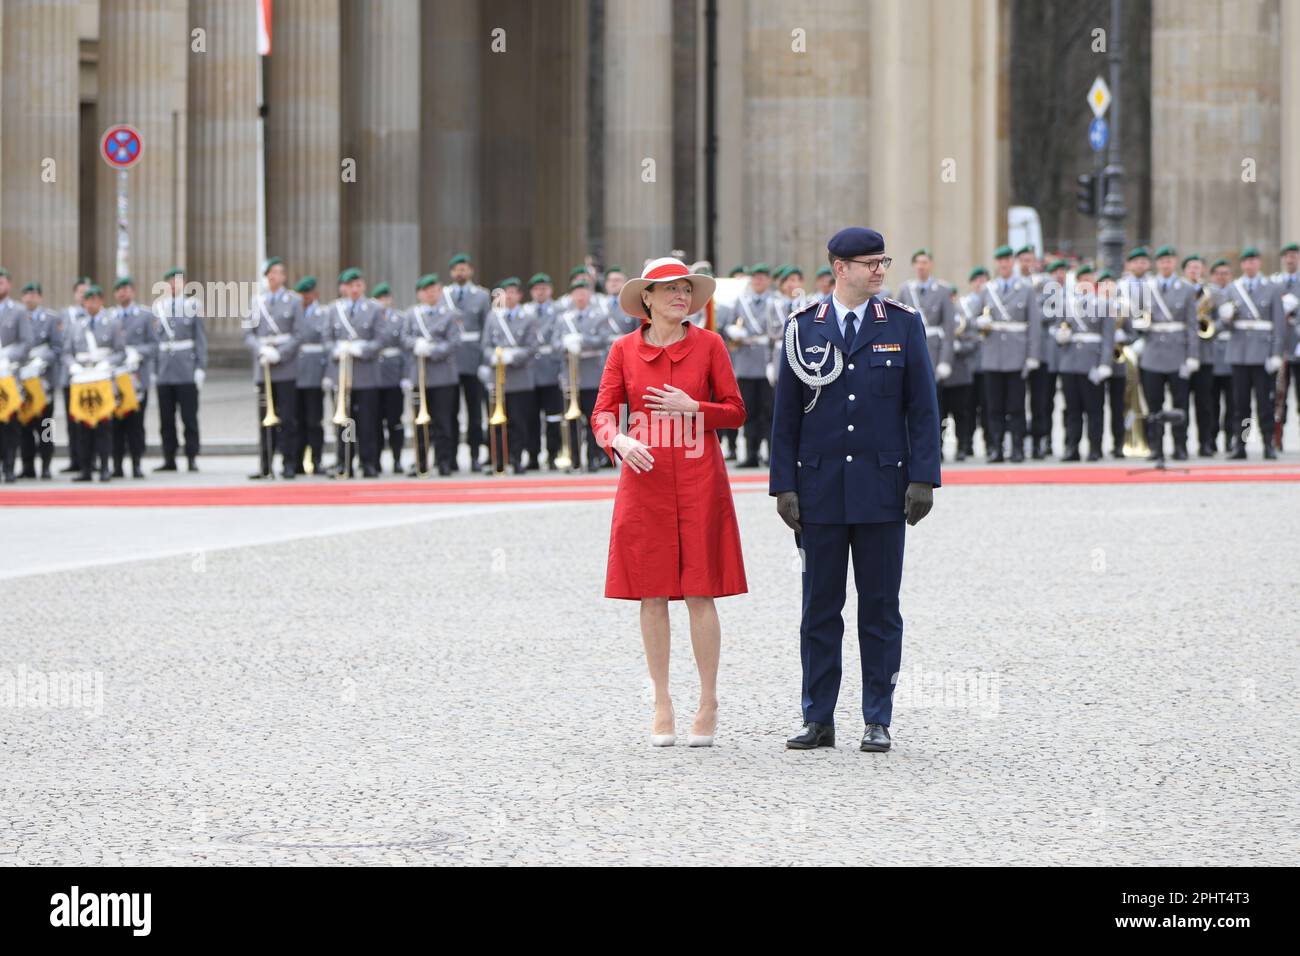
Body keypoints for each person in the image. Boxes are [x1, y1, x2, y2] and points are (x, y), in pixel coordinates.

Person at [769, 227, 940, 754]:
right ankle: (818, 717)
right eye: (870, 263)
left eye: (883, 262)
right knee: (819, 608)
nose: (881, 271)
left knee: (881, 608)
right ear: (840, 268)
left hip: (882, 488)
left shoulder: (903, 326)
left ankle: (877, 717)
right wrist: (784, 485)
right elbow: (785, 419)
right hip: (820, 489)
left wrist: (923, 478)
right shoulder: (803, 328)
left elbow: (923, 408)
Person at [591, 257, 747, 748]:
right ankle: (661, 700)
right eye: (670, 290)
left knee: (701, 590)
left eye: (686, 290)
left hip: (700, 477)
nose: (682, 297)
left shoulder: (710, 345)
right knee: (651, 590)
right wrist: (618, 441)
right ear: (648, 300)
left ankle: (708, 699)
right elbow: (602, 413)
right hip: (645, 478)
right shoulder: (622, 350)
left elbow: (737, 412)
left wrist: (694, 407)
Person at [976, 244, 1042, 462]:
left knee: (1016, 406)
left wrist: (1033, 355)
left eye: (1007, 261)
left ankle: (1017, 448)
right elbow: (975, 317)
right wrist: (980, 322)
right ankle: (996, 448)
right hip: (993, 355)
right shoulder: (988, 289)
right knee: (993, 406)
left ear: (1012, 263)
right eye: (1000, 261)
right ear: (996, 264)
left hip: (1017, 354)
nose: (1003, 265)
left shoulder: (1025, 288)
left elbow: (1034, 324)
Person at [1218, 247, 1284, 459]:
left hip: (1263, 352)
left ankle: (1268, 443)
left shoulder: (1272, 288)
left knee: (1265, 403)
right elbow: (1223, 327)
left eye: (1253, 261)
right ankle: (1241, 444)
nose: (1249, 265)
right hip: (1239, 353)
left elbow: (1279, 324)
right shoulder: (1232, 289)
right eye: (1246, 261)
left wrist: (1276, 353)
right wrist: (1225, 318)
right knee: (1240, 405)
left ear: (1259, 263)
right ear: (1242, 265)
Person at [328, 268, 384, 477]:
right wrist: (336, 349)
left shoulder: (374, 308)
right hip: (342, 374)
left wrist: (363, 349)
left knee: (367, 422)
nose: (354, 289)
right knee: (345, 422)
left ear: (363, 286)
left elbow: (380, 339)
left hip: (366, 374)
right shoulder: (334, 309)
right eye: (350, 285)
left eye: (358, 285)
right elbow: (327, 338)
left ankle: (368, 462)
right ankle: (344, 461)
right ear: (343, 287)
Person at [403, 273, 461, 476]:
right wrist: (415, 345)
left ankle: (444, 461)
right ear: (419, 294)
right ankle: (420, 461)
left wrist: (433, 350)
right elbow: (404, 338)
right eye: (426, 291)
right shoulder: (412, 314)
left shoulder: (450, 314)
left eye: (434, 290)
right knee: (420, 421)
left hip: (443, 375)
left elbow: (454, 342)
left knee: (443, 421)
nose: (431, 294)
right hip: (420, 375)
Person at [65, 285, 124, 482]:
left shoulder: (112, 324)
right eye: (88, 300)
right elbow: (66, 352)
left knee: (104, 428)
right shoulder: (76, 326)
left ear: (101, 302)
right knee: (82, 427)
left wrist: (108, 364)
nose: (91, 303)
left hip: (102, 380)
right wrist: (73, 366)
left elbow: (120, 352)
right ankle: (86, 469)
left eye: (95, 300)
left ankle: (105, 467)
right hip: (82, 380)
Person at [1055, 263, 1114, 460]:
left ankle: (1095, 448)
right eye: (1082, 280)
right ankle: (1072, 447)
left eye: (1089, 279)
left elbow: (1108, 338)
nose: (1085, 283)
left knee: (1094, 408)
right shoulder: (1066, 304)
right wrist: (1060, 335)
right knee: (1072, 410)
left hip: (1092, 362)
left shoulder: (1103, 305)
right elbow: (1056, 328)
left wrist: (1105, 363)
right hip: (1070, 362)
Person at [152, 267, 206, 472]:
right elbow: (156, 341)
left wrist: (200, 367)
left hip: (186, 369)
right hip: (165, 370)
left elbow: (199, 339)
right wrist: (154, 369)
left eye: (178, 282)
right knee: (166, 418)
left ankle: (192, 456)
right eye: (170, 282)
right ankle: (169, 457)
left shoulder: (193, 306)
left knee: (189, 416)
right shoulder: (159, 308)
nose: (174, 286)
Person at [109, 277, 158, 478]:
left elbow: (154, 345)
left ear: (133, 292)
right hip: (114, 378)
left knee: (136, 424)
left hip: (136, 377)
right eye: (119, 289)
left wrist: (138, 352)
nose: (123, 293)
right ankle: (117, 464)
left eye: (127, 289)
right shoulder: (109, 317)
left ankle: (137, 463)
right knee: (115, 424)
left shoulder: (145, 316)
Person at [16, 281, 61, 479]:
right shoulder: (17, 317)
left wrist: (43, 358)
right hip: (22, 382)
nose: (30, 298)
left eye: (34, 294)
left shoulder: (50, 319)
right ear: (22, 298)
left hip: (44, 383)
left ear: (40, 298)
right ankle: (27, 466)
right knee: (24, 426)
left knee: (46, 427)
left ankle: (46, 464)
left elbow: (58, 348)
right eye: (27, 294)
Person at [292, 276, 330, 475]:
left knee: (314, 420)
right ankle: (296, 460)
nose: (304, 298)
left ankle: (316, 459)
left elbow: (327, 345)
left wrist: (328, 374)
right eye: (301, 294)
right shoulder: (293, 312)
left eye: (307, 294)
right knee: (296, 419)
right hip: (296, 372)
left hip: (315, 372)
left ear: (315, 294)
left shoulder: (323, 314)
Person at [0, 267, 33, 482]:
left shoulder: (18, 311)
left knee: (9, 424)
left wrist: (10, 357)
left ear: (9, 285)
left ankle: (10, 466)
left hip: (8, 375)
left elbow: (27, 341)